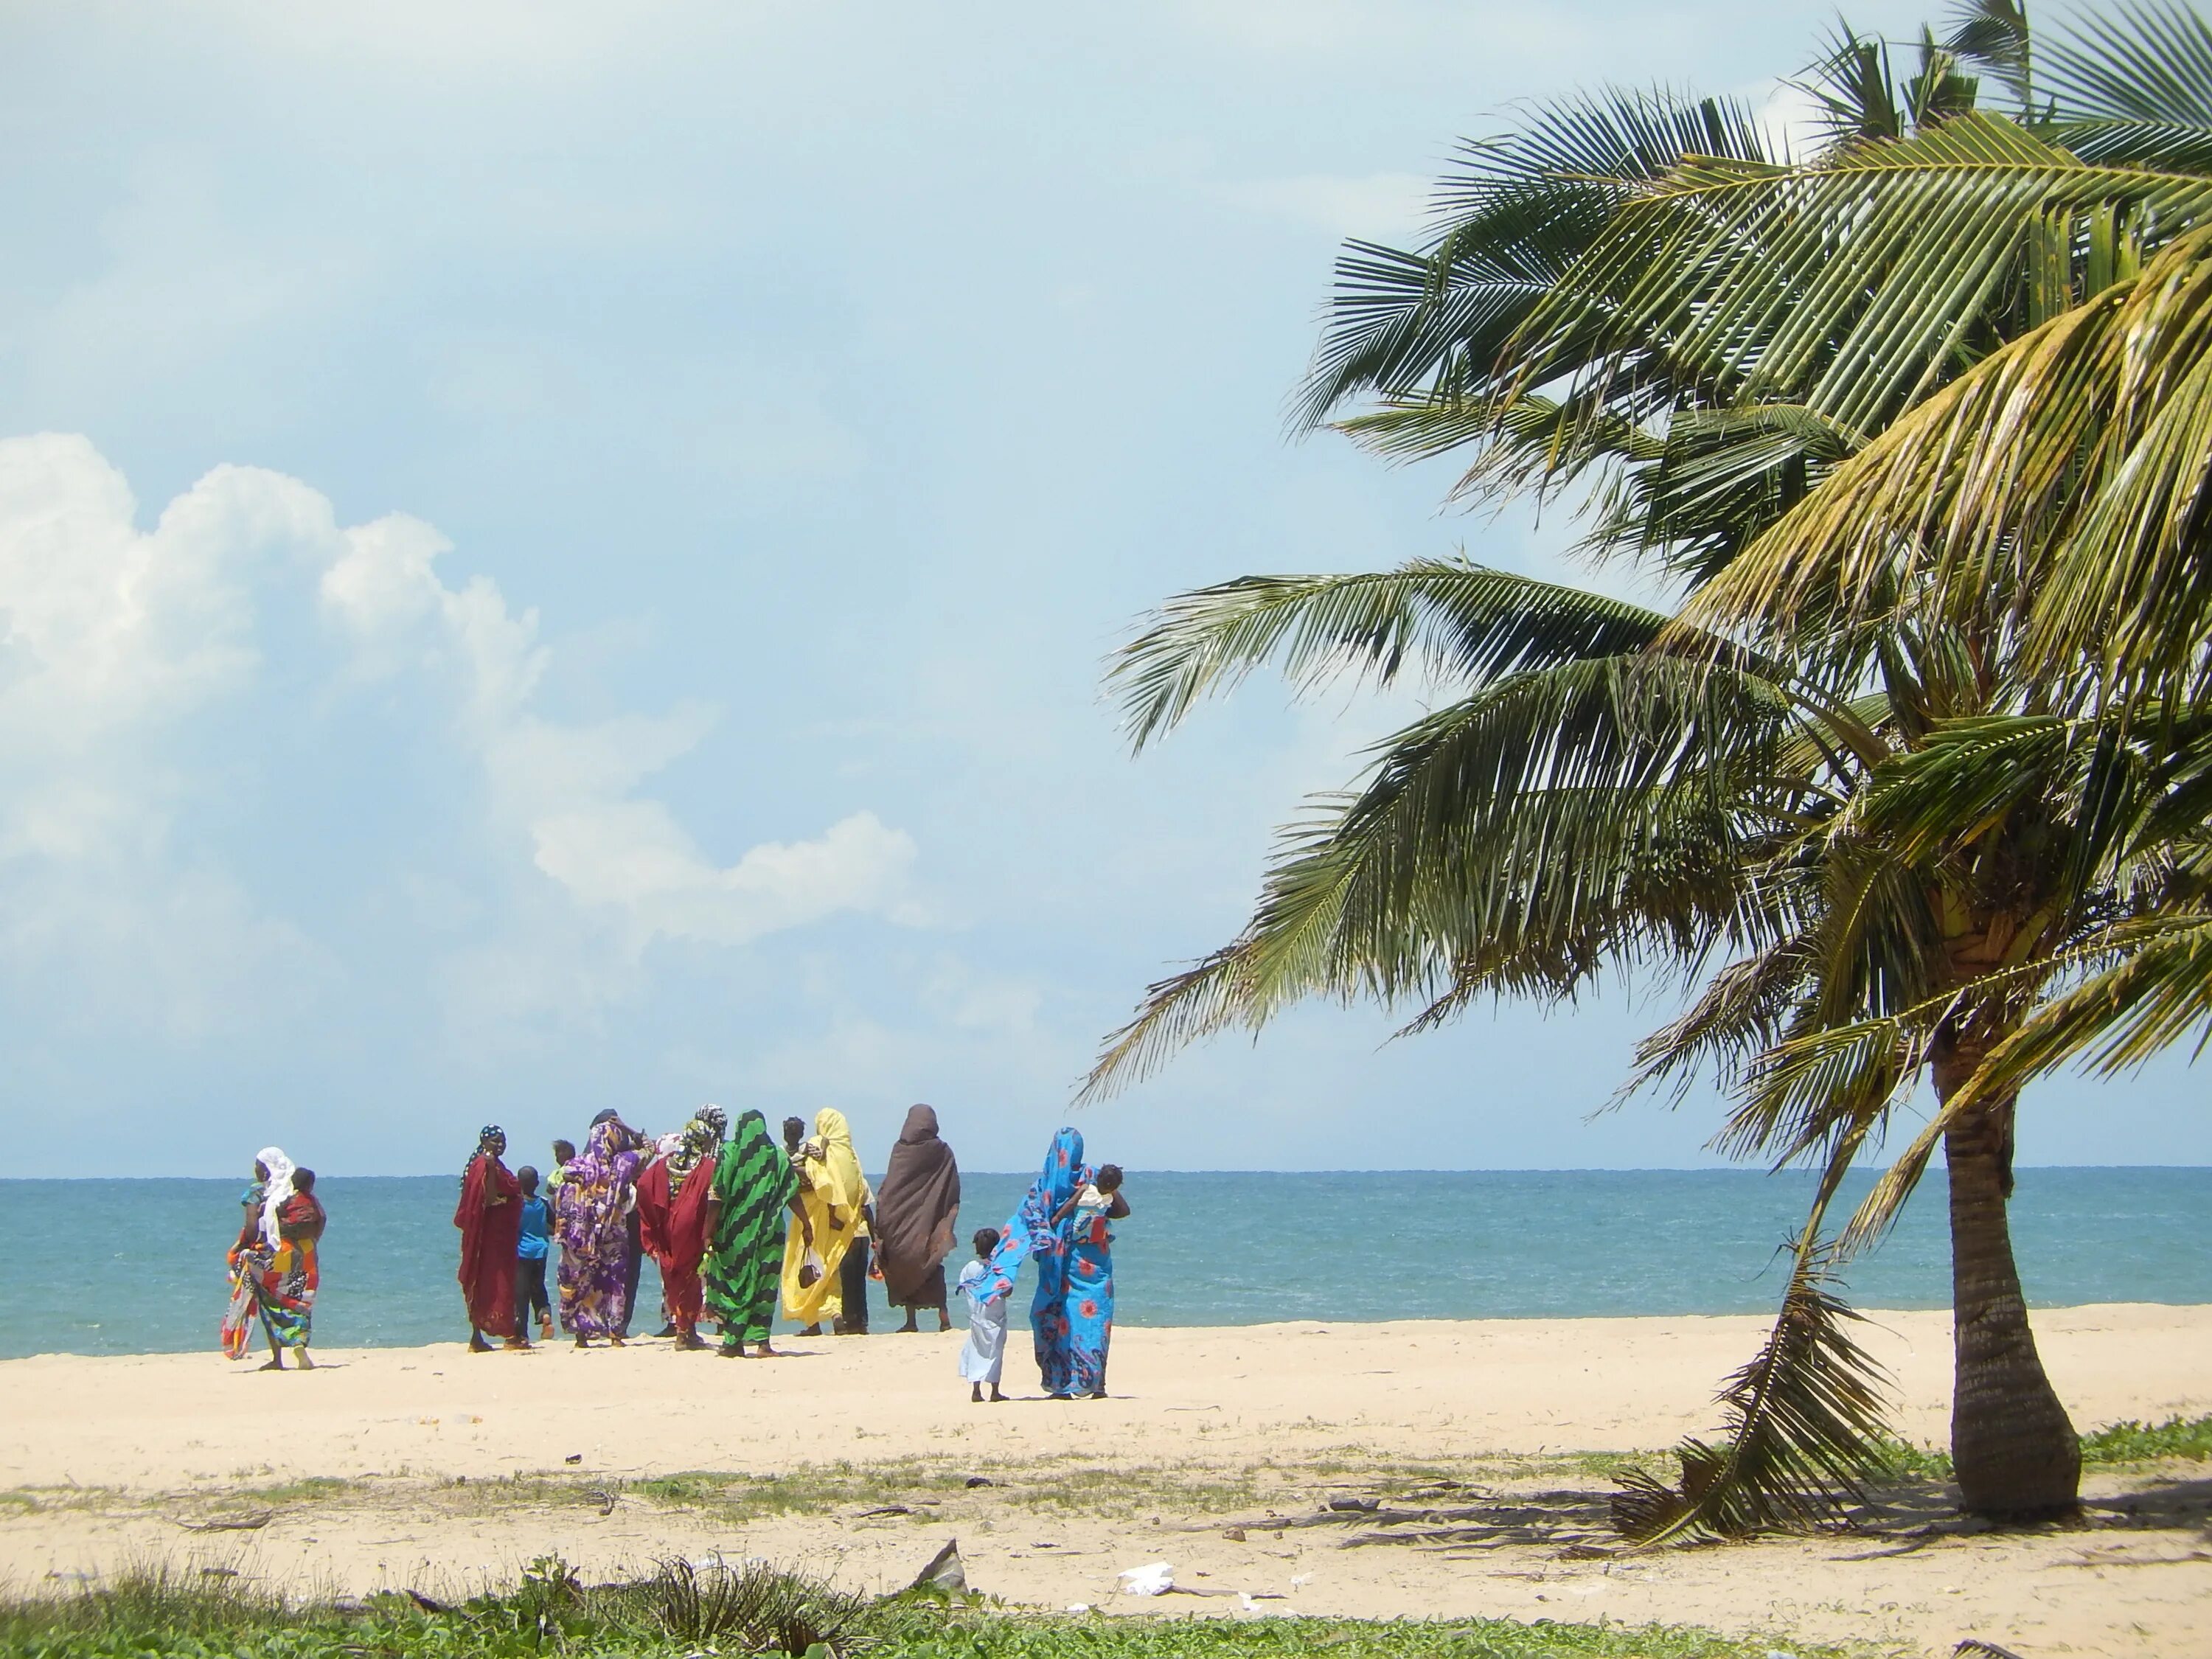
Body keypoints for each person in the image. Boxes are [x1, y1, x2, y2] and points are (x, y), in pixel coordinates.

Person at [703, 1108, 813, 1357]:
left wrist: (708, 1232)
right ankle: (762, 1343)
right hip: (770, 1234)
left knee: (736, 1284)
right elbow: (792, 1194)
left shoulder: (730, 1154)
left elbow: (717, 1195)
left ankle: (732, 1342)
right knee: (765, 1285)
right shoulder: (778, 1157)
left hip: (735, 1236)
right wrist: (807, 1224)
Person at [221, 1148, 324, 1371]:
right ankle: (298, 1345)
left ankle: (277, 1359)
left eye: (258, 1166)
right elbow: (320, 1219)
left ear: (266, 1168)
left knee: (269, 1302)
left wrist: (241, 1248)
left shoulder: (257, 1192)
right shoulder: (297, 1191)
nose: (256, 1170)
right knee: (298, 1302)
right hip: (304, 1255)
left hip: (273, 1254)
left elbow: (251, 1229)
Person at [553, 1117, 647, 1346]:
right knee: (615, 1282)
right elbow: (649, 1147)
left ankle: (581, 1335)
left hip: (581, 1237)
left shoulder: (575, 1166)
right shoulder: (622, 1164)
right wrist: (628, 1129)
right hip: (612, 1236)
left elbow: (560, 1194)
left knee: (580, 1281)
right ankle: (615, 1334)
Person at [635, 1107, 723, 1350]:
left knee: (672, 1277)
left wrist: (658, 1216)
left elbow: (643, 1184)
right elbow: (714, 1195)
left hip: (665, 1229)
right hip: (692, 1230)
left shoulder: (665, 1164)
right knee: (692, 1279)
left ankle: (683, 1329)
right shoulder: (706, 1167)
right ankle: (686, 1332)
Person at [874, 1104, 961, 1333]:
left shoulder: (900, 1151)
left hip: (898, 1223)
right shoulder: (942, 1152)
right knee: (932, 1266)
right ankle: (944, 1319)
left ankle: (911, 1321)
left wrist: (882, 1219)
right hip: (928, 1224)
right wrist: (942, 1218)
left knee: (902, 1266)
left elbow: (890, 1187)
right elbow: (950, 1189)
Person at [780, 1107, 865, 1337]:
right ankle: (835, 1313)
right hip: (821, 1211)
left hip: (804, 1213)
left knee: (805, 1262)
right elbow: (830, 1182)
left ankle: (813, 1322)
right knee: (825, 1263)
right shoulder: (818, 1150)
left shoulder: (791, 1153)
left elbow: (818, 1181)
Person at [1051, 1163, 1127, 1399]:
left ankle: (1066, 1383)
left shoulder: (1085, 1190)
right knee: (1099, 1319)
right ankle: (1097, 1384)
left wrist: (1053, 1222)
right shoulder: (1108, 1201)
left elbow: (1067, 1209)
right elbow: (1125, 1211)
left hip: (1077, 1261)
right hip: (1099, 1262)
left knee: (1070, 1316)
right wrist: (1112, 1191)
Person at [456, 1126, 528, 1352]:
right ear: (484, 1142)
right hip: (492, 1236)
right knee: (500, 1282)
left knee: (481, 1281)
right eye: (496, 1141)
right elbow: (486, 1199)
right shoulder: (486, 1165)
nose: (500, 1145)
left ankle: (477, 1338)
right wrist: (504, 1200)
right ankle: (509, 1336)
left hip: (490, 1234)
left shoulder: (483, 1164)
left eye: (503, 1141)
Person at [590, 1109, 647, 1338]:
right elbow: (649, 1148)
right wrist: (627, 1128)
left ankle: (593, 1326)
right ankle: (618, 1327)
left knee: (595, 1275)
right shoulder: (627, 1162)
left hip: (593, 1230)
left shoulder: (584, 1164)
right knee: (625, 1277)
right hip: (624, 1229)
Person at [957, 1226, 1007, 1403]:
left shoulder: (970, 1267)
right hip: (996, 1317)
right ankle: (995, 1391)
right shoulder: (999, 1268)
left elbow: (964, 1288)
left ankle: (976, 1391)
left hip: (976, 1317)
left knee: (976, 1351)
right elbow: (1007, 1292)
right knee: (996, 1353)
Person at [514, 1165, 554, 1342]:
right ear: (537, 1183)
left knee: (521, 1293)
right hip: (541, 1251)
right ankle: (544, 1314)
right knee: (538, 1286)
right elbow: (554, 1224)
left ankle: (521, 1334)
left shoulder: (517, 1204)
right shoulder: (543, 1203)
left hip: (522, 1252)